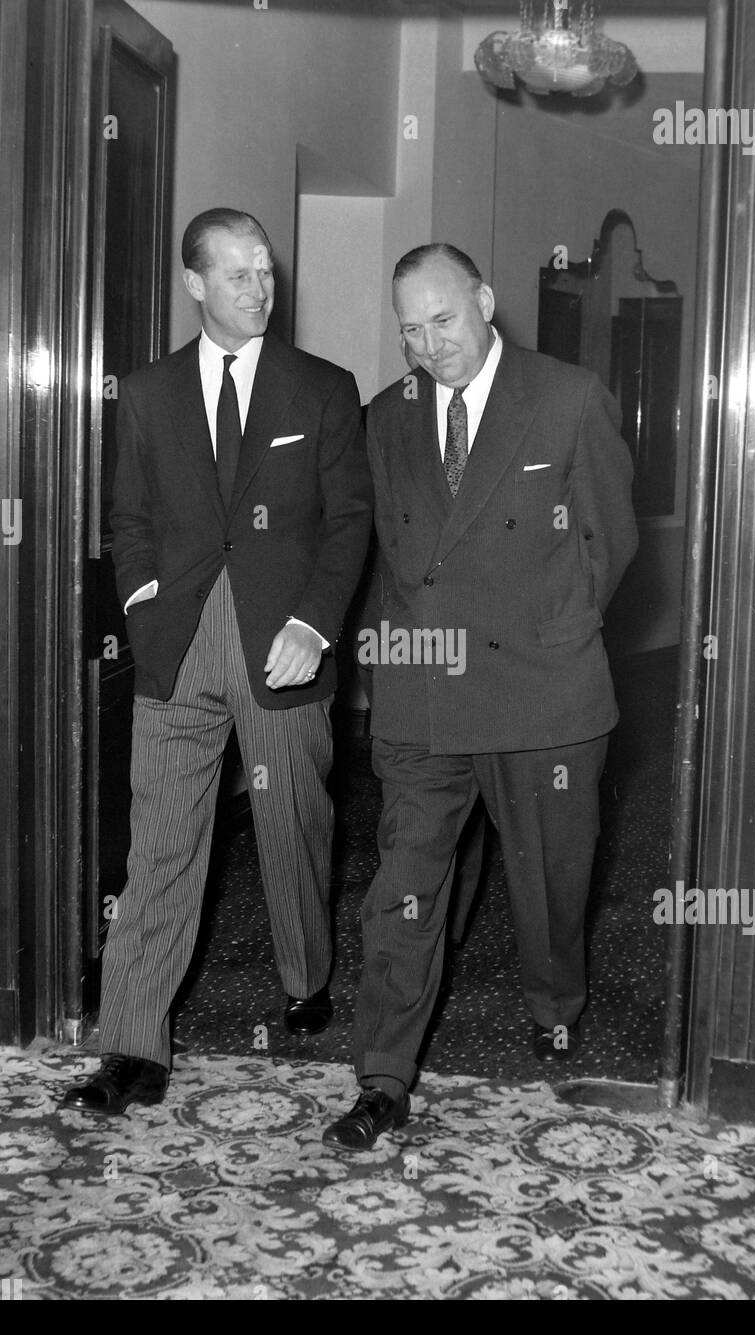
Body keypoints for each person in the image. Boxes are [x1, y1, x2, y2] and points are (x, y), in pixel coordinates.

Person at [323, 243, 637, 1151]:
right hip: (426, 697)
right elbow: (384, 553)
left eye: (443, 321)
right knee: (402, 888)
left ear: (485, 302)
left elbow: (608, 542)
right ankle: (381, 1077)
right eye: (410, 331)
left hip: (543, 690)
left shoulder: (568, 396)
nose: (429, 346)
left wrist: (552, 626)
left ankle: (554, 1001)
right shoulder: (387, 417)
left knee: (549, 884)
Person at [63, 208, 372, 1116]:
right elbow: (129, 518)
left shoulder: (320, 387)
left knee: (292, 824)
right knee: (159, 841)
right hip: (178, 640)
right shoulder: (148, 392)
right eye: (236, 275)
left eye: (265, 272)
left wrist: (314, 626)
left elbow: (350, 521)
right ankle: (131, 1046)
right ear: (194, 284)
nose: (258, 289)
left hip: (282, 645)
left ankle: (306, 975)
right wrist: (144, 603)